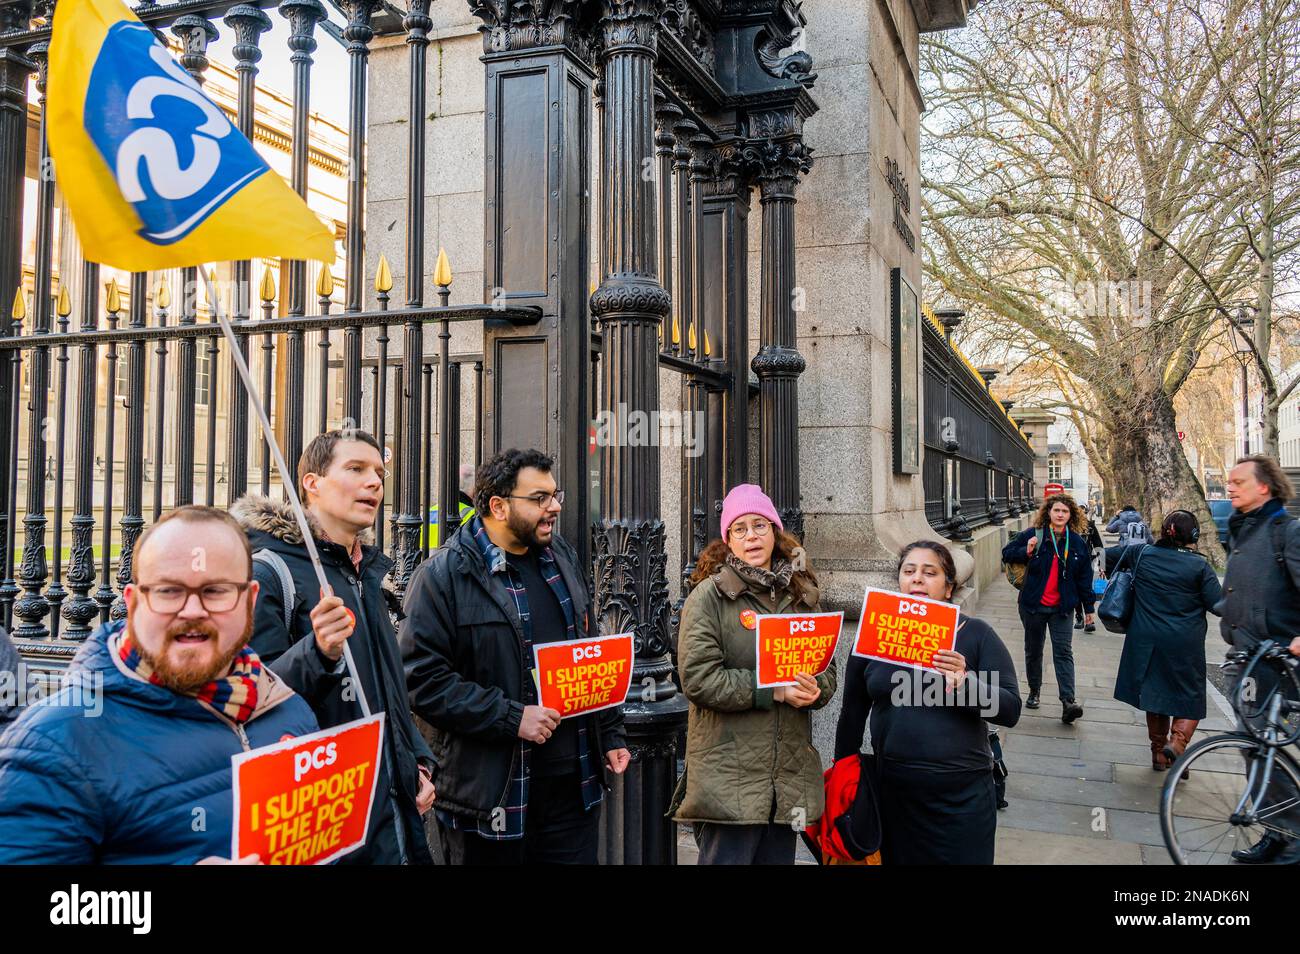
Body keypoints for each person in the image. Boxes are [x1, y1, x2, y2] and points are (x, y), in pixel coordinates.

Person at [0, 506, 318, 863]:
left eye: (215, 591)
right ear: (134, 603)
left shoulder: (290, 712)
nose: (193, 610)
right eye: (169, 591)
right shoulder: (52, 745)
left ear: (250, 600)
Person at [401, 448, 630, 865]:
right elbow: (422, 680)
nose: (555, 506)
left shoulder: (561, 556)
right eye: (539, 498)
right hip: (492, 799)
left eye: (554, 494)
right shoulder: (443, 576)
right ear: (498, 506)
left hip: (572, 791)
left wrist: (610, 733)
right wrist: (512, 717)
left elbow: (586, 648)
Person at [232, 429, 436, 865]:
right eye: (356, 469)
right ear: (311, 483)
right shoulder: (269, 573)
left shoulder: (366, 573)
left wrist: (415, 758)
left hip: (394, 807)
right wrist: (317, 651)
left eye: (379, 472)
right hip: (324, 816)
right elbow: (249, 698)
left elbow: (387, 689)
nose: (375, 482)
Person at [669, 483, 837, 865]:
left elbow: (827, 668)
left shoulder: (801, 593)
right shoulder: (709, 597)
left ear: (775, 532)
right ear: (728, 540)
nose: (751, 537)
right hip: (730, 778)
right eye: (740, 529)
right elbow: (698, 679)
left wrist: (816, 687)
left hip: (785, 780)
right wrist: (773, 691)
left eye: (759, 525)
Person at [834, 540, 1021, 864]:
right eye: (909, 571)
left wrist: (966, 683)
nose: (917, 578)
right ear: (901, 582)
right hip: (894, 796)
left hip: (962, 798)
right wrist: (842, 787)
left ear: (949, 587)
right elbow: (851, 716)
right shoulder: (873, 636)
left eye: (929, 572)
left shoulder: (976, 635)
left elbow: (1009, 710)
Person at [1216, 455, 1300, 864]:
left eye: (1238, 481)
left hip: (1274, 658)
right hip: (1244, 655)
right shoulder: (1242, 529)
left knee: (1261, 744)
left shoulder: (1287, 531)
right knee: (1255, 746)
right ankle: (1280, 832)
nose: (1230, 487)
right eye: (1228, 481)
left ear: (1264, 486)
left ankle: (1291, 834)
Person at [1113, 510, 1222, 770]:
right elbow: (1218, 605)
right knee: (1190, 695)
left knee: (1155, 694)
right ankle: (1178, 743)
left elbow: (1108, 561)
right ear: (1193, 536)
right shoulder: (1200, 566)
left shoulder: (1141, 554)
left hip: (1146, 639)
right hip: (1184, 642)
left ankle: (1158, 754)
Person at [1002, 493, 1095, 723]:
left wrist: (1089, 609)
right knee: (1034, 650)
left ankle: (1068, 701)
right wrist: (1026, 551)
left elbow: (1084, 578)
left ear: (1070, 515)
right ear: (1049, 513)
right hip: (1033, 605)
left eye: (1065, 511)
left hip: (1062, 608)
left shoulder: (1076, 543)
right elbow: (1006, 553)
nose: (1060, 515)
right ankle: (1034, 691)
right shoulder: (1035, 535)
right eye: (1057, 511)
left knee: (1063, 652)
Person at [1075, 504, 1104, 633]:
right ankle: (1079, 616)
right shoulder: (1070, 526)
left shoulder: (1090, 526)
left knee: (1086, 590)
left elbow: (1098, 546)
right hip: (1071, 564)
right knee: (1075, 590)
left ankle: (1089, 620)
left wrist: (1102, 566)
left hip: (1087, 563)